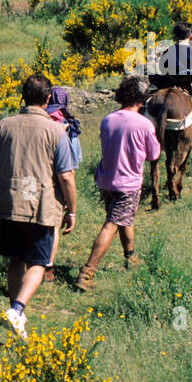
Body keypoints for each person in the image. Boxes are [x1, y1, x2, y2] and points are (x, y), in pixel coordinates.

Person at [0, 74, 78, 339]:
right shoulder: (57, 131)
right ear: (48, 100)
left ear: (22, 96)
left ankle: (16, 312)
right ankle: (18, 308)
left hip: (8, 202)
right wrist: (72, 209)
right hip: (40, 205)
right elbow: (66, 176)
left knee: (16, 259)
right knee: (40, 261)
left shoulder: (3, 125)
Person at [75, 77, 161, 292]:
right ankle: (87, 272)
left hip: (106, 180)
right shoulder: (144, 124)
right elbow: (154, 154)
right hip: (128, 183)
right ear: (143, 99)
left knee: (123, 218)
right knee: (112, 224)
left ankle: (131, 257)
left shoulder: (108, 119)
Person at [41, 86, 83, 282]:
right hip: (55, 182)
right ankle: (48, 268)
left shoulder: (37, 118)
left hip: (31, 178)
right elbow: (71, 166)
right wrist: (70, 201)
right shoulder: (66, 124)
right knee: (54, 226)